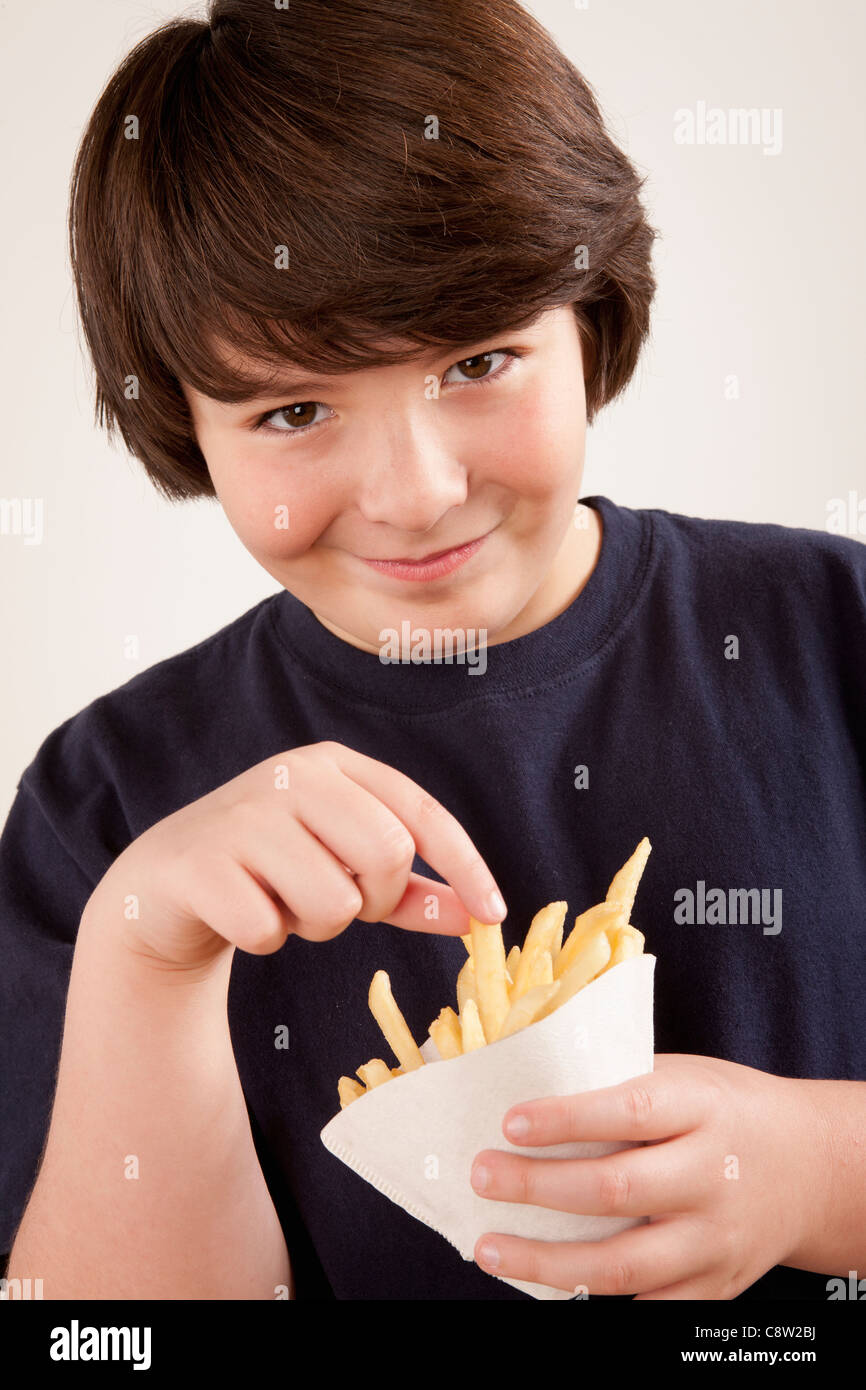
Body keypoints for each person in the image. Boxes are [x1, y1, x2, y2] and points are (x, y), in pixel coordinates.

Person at [2, 0, 864, 1301]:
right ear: (184, 422)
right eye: (292, 408)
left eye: (478, 361)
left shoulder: (831, 633)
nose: (411, 491)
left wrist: (819, 1171)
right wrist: (147, 958)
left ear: (591, 315)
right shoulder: (105, 801)